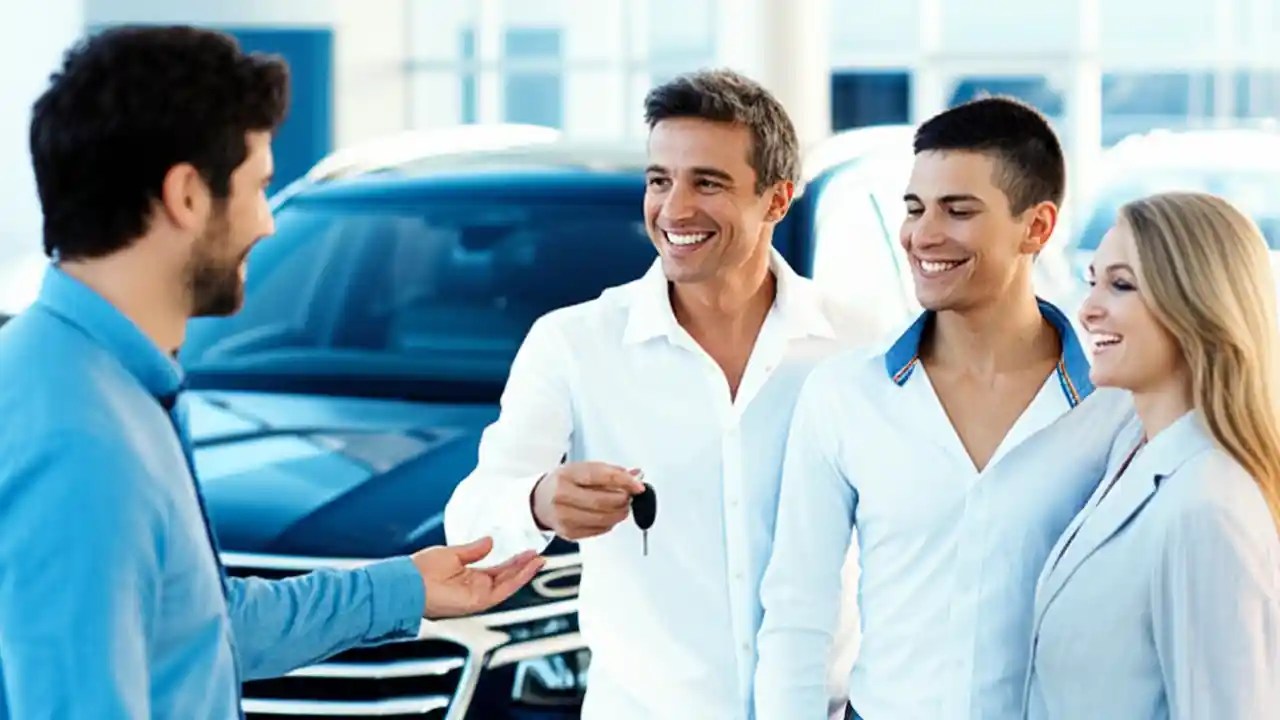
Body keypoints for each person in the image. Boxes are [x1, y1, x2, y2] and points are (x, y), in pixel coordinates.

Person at [0, 26, 543, 718]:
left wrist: (402, 589)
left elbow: (199, 628)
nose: (266, 223)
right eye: (258, 186)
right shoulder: (79, 439)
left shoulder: (96, 381)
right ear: (187, 195)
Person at [443, 68, 885, 720]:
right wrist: (537, 502)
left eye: (707, 182)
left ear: (777, 199)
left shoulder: (860, 344)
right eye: (659, 180)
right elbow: (470, 522)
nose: (674, 209)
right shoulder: (574, 344)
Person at [752, 96, 1138, 720]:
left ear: (1037, 227)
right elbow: (797, 611)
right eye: (915, 208)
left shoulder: (1116, 406)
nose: (922, 234)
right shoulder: (845, 394)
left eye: (958, 211)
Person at [1023, 191, 1280, 719]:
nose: (1088, 310)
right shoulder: (1133, 448)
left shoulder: (1206, 509)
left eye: (1121, 285)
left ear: (1198, 305)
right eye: (1092, 281)